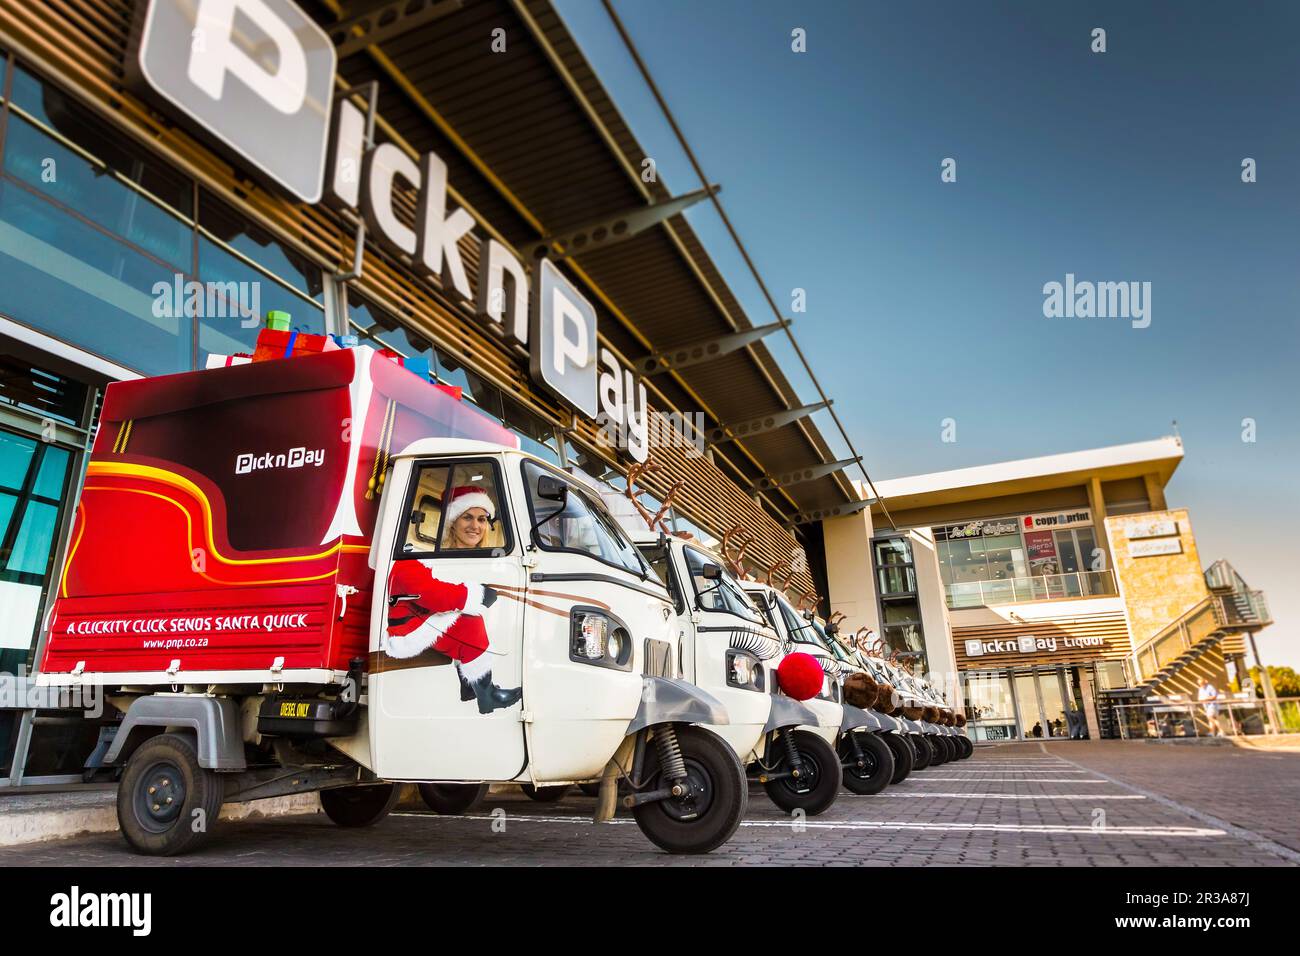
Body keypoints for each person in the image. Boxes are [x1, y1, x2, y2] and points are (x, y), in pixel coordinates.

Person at [441, 484, 496, 550]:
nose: (475, 526)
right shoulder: (438, 559)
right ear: (453, 523)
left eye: (481, 519)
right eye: (467, 518)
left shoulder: (493, 559)